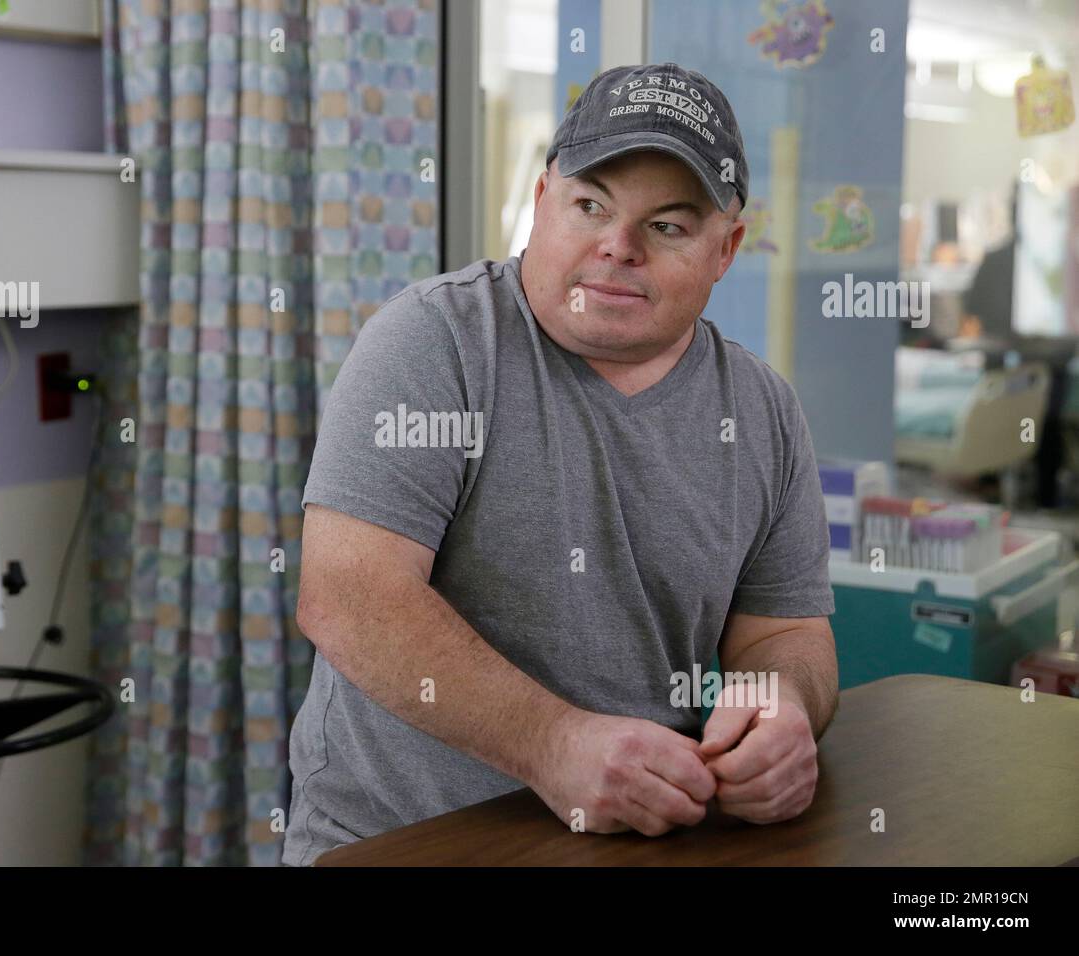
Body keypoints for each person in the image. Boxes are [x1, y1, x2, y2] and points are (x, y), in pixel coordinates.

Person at [282, 63, 838, 867]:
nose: (618, 247)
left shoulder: (762, 410)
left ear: (727, 249)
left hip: (646, 836)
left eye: (669, 227)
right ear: (543, 203)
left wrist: (778, 708)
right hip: (402, 841)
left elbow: (784, 632)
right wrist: (553, 744)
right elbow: (347, 597)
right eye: (591, 207)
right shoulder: (434, 343)